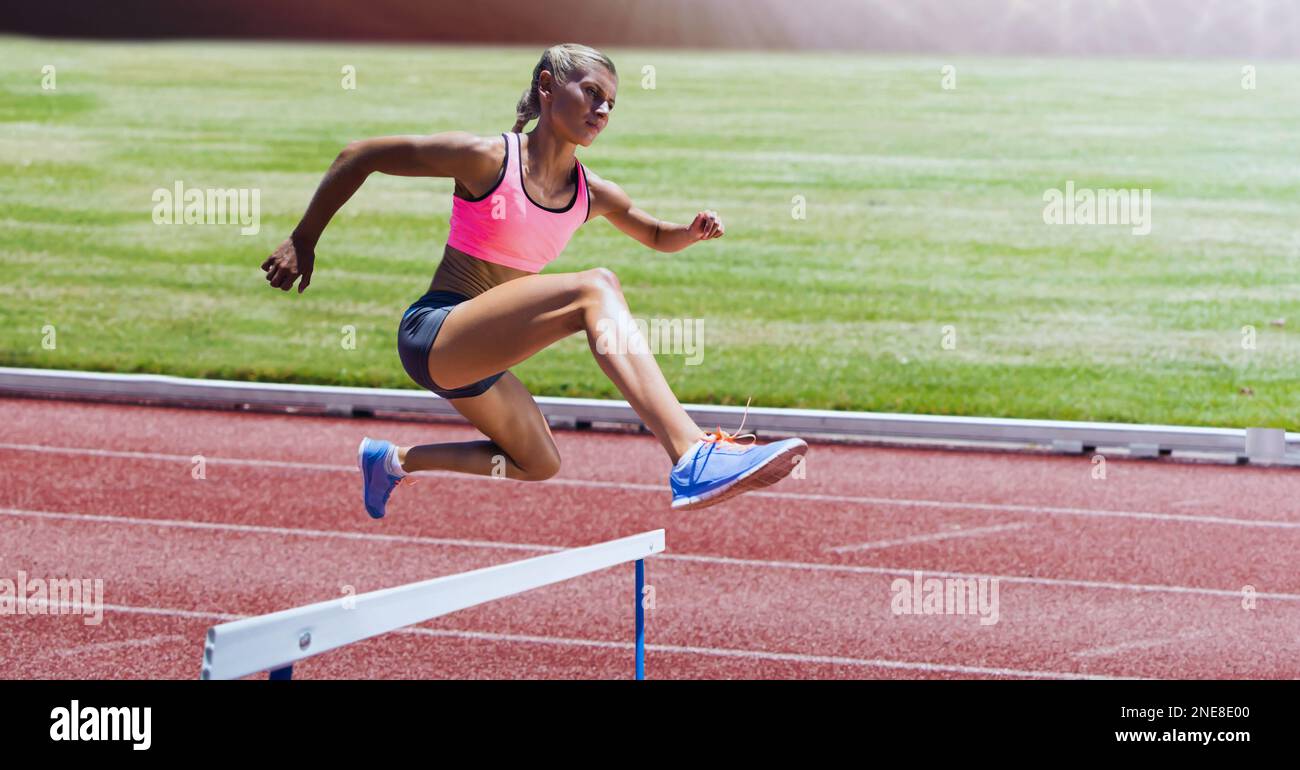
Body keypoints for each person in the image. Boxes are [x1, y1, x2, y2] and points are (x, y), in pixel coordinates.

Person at [260, 43, 807, 517]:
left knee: (536, 462)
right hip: (437, 331)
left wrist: (690, 232)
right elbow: (360, 156)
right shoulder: (485, 159)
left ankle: (394, 462)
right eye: (592, 92)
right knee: (596, 285)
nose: (603, 108)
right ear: (547, 86)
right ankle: (690, 452)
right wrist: (303, 239)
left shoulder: (594, 192)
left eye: (611, 102)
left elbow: (657, 234)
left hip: (481, 360)